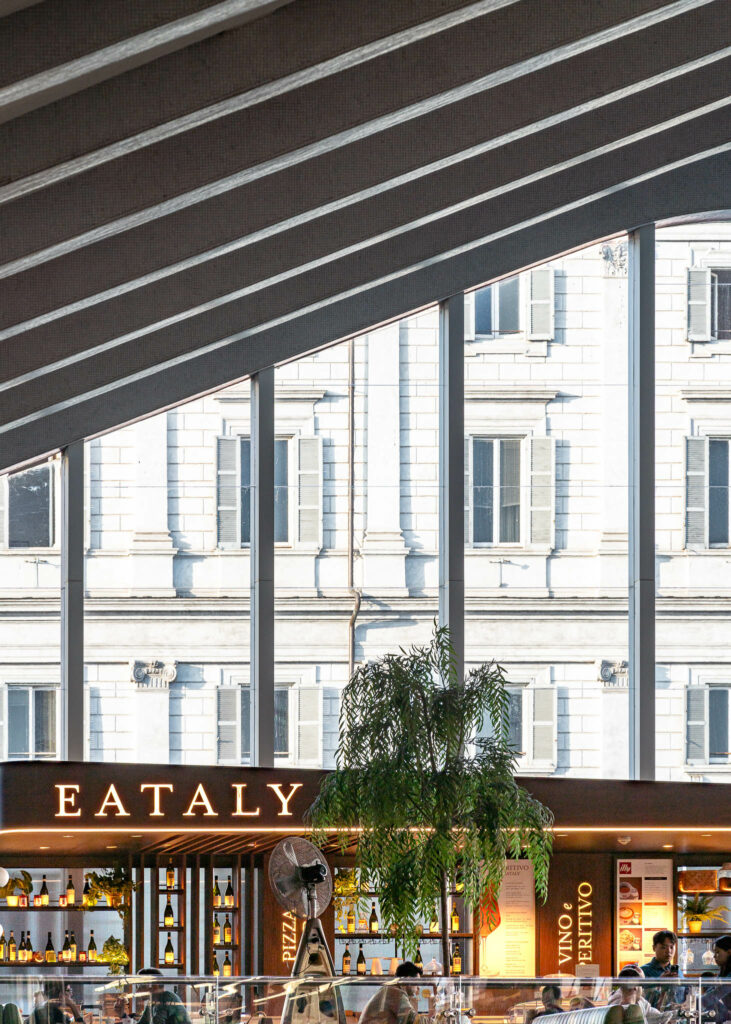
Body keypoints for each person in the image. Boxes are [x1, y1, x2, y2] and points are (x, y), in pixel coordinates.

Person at [358, 962, 423, 1024]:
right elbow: (412, 1020)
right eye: (417, 982)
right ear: (408, 980)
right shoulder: (395, 992)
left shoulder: (392, 988)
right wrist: (432, 1022)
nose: (418, 987)